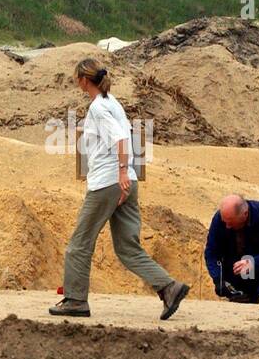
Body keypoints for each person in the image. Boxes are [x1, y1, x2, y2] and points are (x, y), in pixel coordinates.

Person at [51, 58, 188, 320]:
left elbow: (122, 139)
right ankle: (169, 287)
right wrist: (127, 174)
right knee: (127, 247)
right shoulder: (113, 103)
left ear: (83, 80)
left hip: (108, 182)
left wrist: (122, 170)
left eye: (76, 78)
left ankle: (75, 300)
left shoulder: (99, 109)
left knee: (79, 244)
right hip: (126, 182)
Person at [204, 195, 259, 305]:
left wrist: (252, 262)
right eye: (224, 221)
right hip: (237, 266)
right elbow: (211, 252)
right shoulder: (220, 219)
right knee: (238, 275)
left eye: (230, 222)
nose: (227, 226)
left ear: (245, 214)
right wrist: (218, 279)